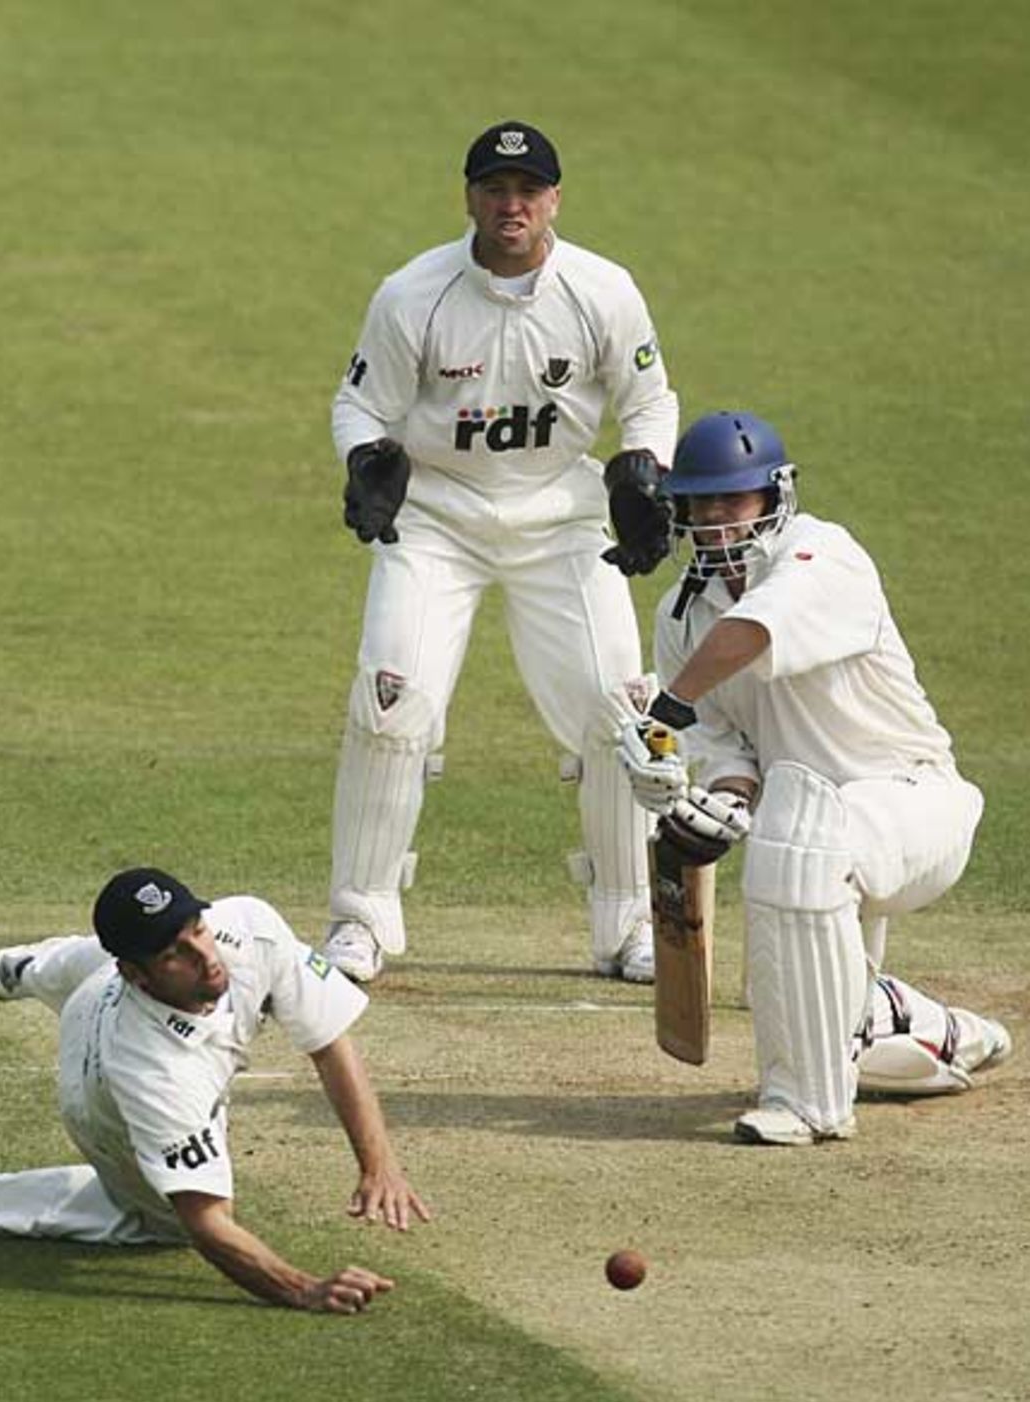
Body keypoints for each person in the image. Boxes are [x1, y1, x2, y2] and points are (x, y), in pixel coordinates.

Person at [325, 119, 679, 985]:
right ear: (470, 197)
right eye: (494, 189)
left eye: (528, 191)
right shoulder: (416, 295)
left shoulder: (602, 290)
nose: (510, 205)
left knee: (617, 710)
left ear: (554, 198)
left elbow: (651, 399)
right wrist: (368, 463)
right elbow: (359, 406)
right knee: (392, 702)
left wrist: (644, 473)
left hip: (559, 515)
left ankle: (629, 925)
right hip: (438, 521)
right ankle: (361, 922)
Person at [617, 410, 1012, 1145]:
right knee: (797, 986)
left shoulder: (824, 555)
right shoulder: (681, 616)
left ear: (774, 497)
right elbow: (729, 752)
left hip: (914, 803)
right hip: (811, 832)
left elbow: (753, 636)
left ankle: (807, 1104)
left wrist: (668, 708)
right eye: (697, 504)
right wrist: (713, 805)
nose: (712, 520)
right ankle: (940, 1028)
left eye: (729, 502)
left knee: (798, 845)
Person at [0, 867, 429, 1313]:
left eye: (196, 929)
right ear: (139, 975)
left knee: (64, 963)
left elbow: (329, 1042)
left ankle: (11, 969)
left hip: (90, 972)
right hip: (96, 1086)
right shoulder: (152, 1076)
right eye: (174, 953)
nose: (203, 954)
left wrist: (378, 1166)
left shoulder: (248, 925)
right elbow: (208, 1226)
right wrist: (303, 1288)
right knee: (164, 1221)